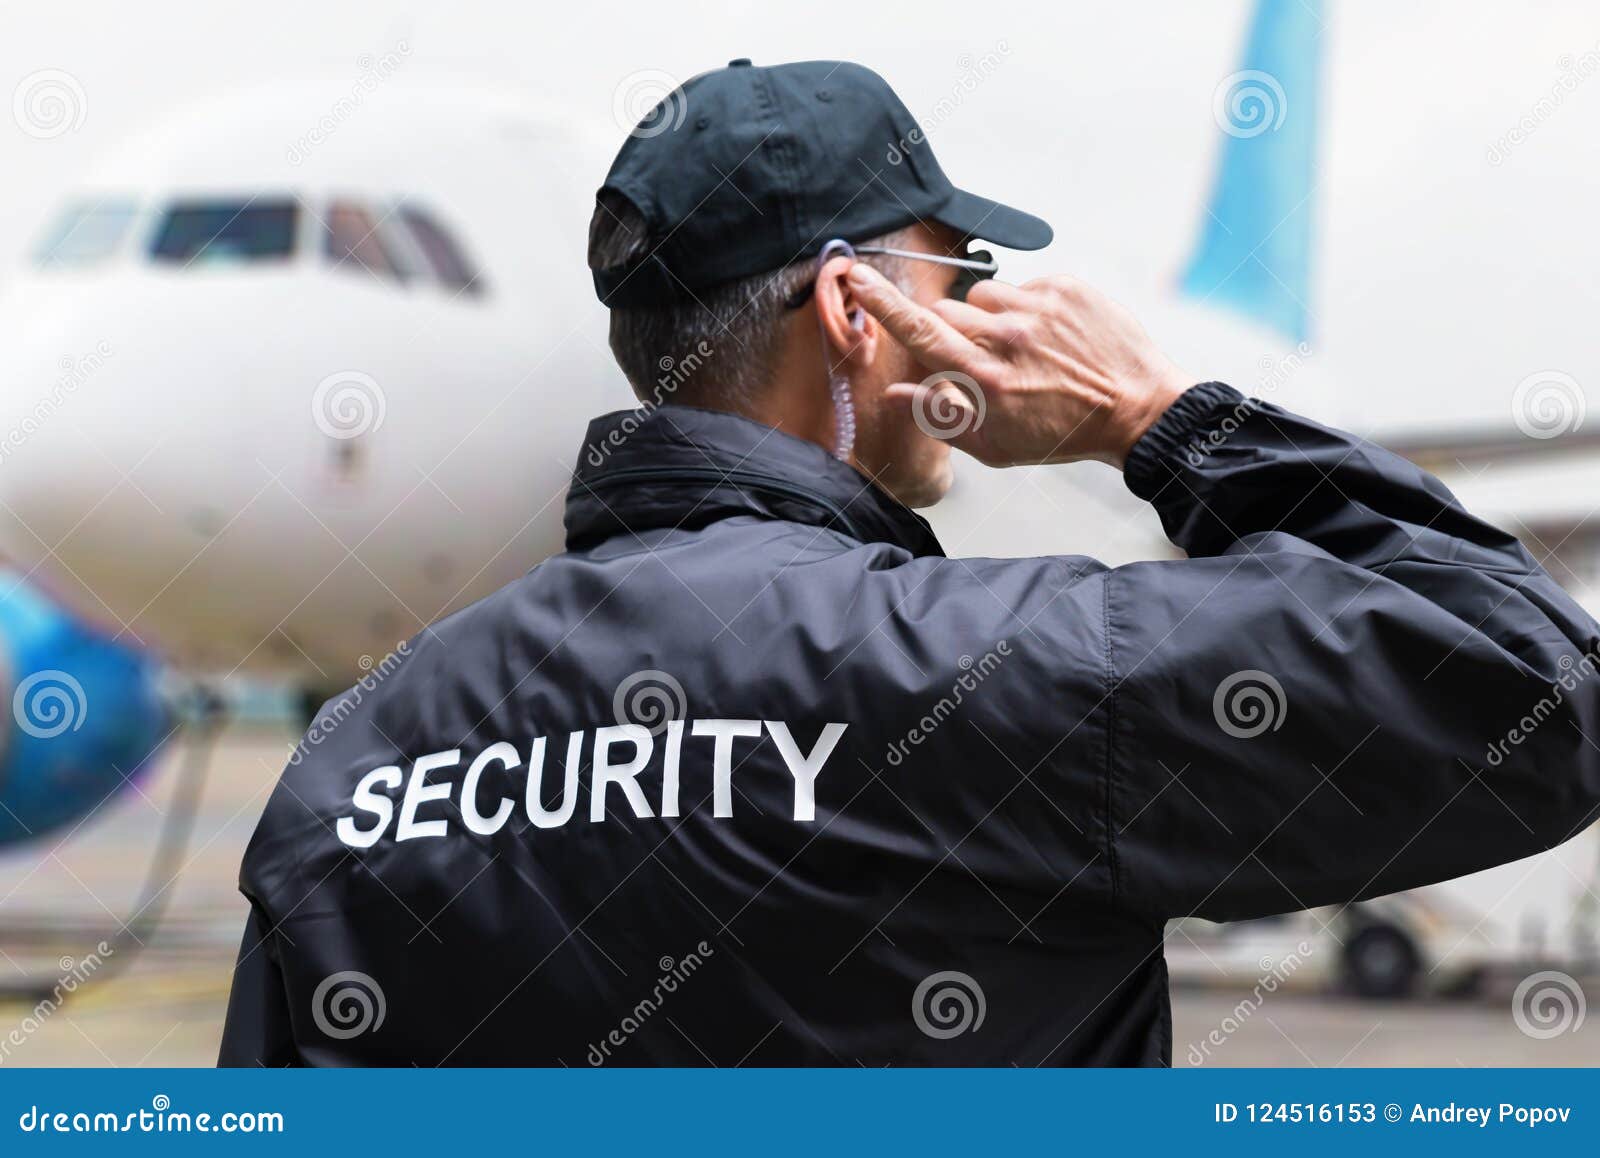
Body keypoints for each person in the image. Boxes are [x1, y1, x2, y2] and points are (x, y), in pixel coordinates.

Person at [220, 59, 1600, 1067]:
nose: (986, 315)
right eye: (964, 276)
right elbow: (1537, 682)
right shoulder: (1003, 670)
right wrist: (1163, 419)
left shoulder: (348, 768)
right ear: (855, 312)